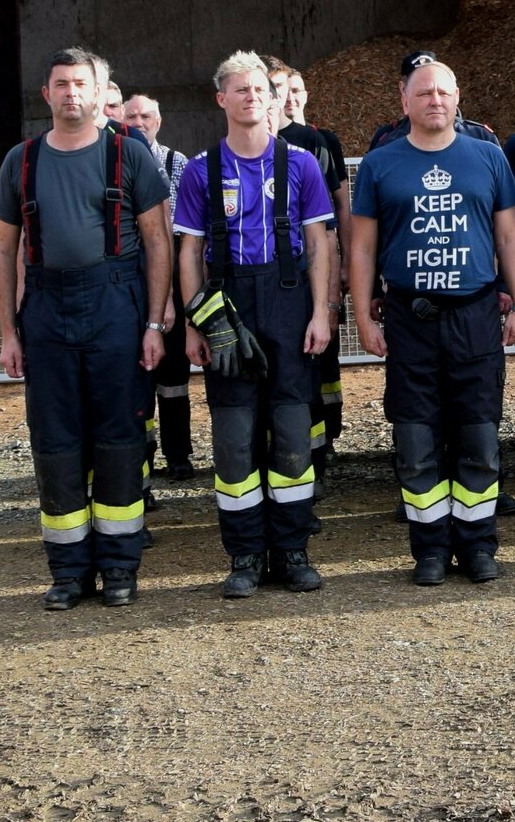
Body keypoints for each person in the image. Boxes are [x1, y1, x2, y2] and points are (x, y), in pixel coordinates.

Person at [0, 49, 174, 609]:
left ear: (100, 92)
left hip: (117, 306)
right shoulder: (20, 162)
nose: (71, 93)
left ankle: (119, 566)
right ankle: (68, 571)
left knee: (119, 437)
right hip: (45, 309)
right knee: (56, 441)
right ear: (46, 94)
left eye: (81, 84)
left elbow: (159, 241)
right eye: (61, 84)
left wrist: (154, 322)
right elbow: (2, 250)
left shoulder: (130, 155)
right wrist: (8, 332)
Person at [350, 58, 515, 586]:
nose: (435, 100)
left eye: (444, 92)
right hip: (409, 318)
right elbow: (361, 249)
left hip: (475, 315)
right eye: (424, 92)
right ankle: (429, 548)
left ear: (457, 100)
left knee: (478, 437)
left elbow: (508, 237)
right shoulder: (382, 164)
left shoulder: (488, 157)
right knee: (416, 441)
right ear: (403, 101)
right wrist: (363, 316)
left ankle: (477, 545)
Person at [173, 52, 335, 595]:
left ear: (272, 97)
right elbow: (189, 251)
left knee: (291, 433)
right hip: (227, 304)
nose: (251, 97)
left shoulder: (302, 164)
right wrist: (196, 324)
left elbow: (319, 243)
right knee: (235, 438)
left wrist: (321, 313)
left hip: (289, 303)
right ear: (221, 99)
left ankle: (291, 551)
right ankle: (244, 555)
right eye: (239, 90)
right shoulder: (200, 170)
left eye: (259, 89)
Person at [284, 69, 354, 485]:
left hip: (315, 263)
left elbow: (337, 211)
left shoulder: (317, 142)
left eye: (294, 91)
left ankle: (326, 439)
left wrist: (344, 263)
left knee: (321, 358)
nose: (288, 99)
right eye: (281, 91)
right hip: (276, 274)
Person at [125, 93, 196, 480]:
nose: (139, 122)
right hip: (131, 283)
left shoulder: (176, 163)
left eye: (146, 115)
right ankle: (143, 456)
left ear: (159, 120)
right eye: (132, 115)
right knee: (139, 378)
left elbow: (185, 228)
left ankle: (179, 453)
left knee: (174, 378)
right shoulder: (115, 158)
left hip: (172, 282)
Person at [367, 50, 498, 151]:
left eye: (441, 91)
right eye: (424, 92)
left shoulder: (481, 138)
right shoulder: (387, 139)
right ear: (403, 89)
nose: (435, 101)